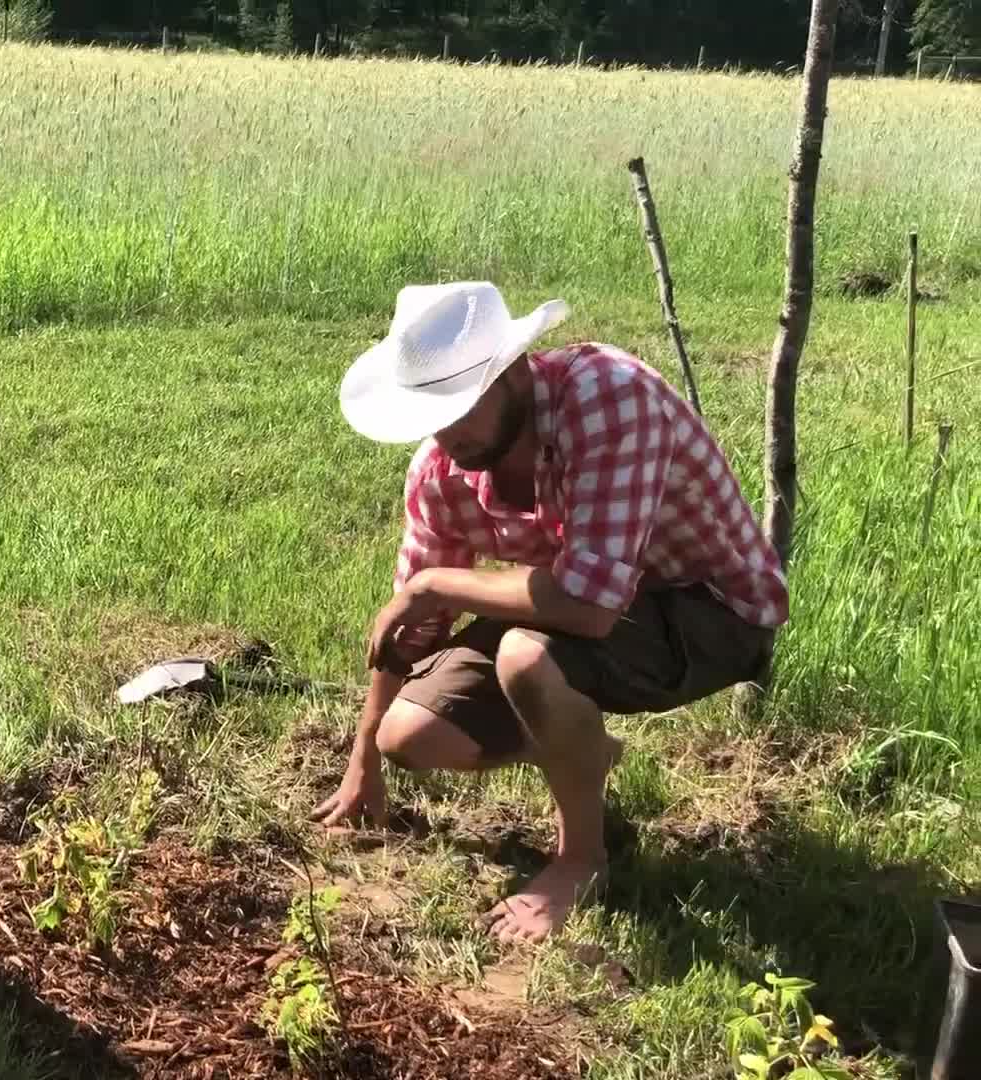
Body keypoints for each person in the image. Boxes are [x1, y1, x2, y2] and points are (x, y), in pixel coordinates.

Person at [309, 281, 788, 944]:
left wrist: (436, 586)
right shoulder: (443, 470)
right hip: (576, 601)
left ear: (510, 371)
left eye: (459, 408)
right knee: (409, 736)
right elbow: (412, 628)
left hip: (708, 610)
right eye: (430, 416)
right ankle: (583, 751)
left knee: (527, 656)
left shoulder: (611, 400)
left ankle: (583, 859)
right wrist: (363, 761)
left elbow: (588, 610)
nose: (446, 435)